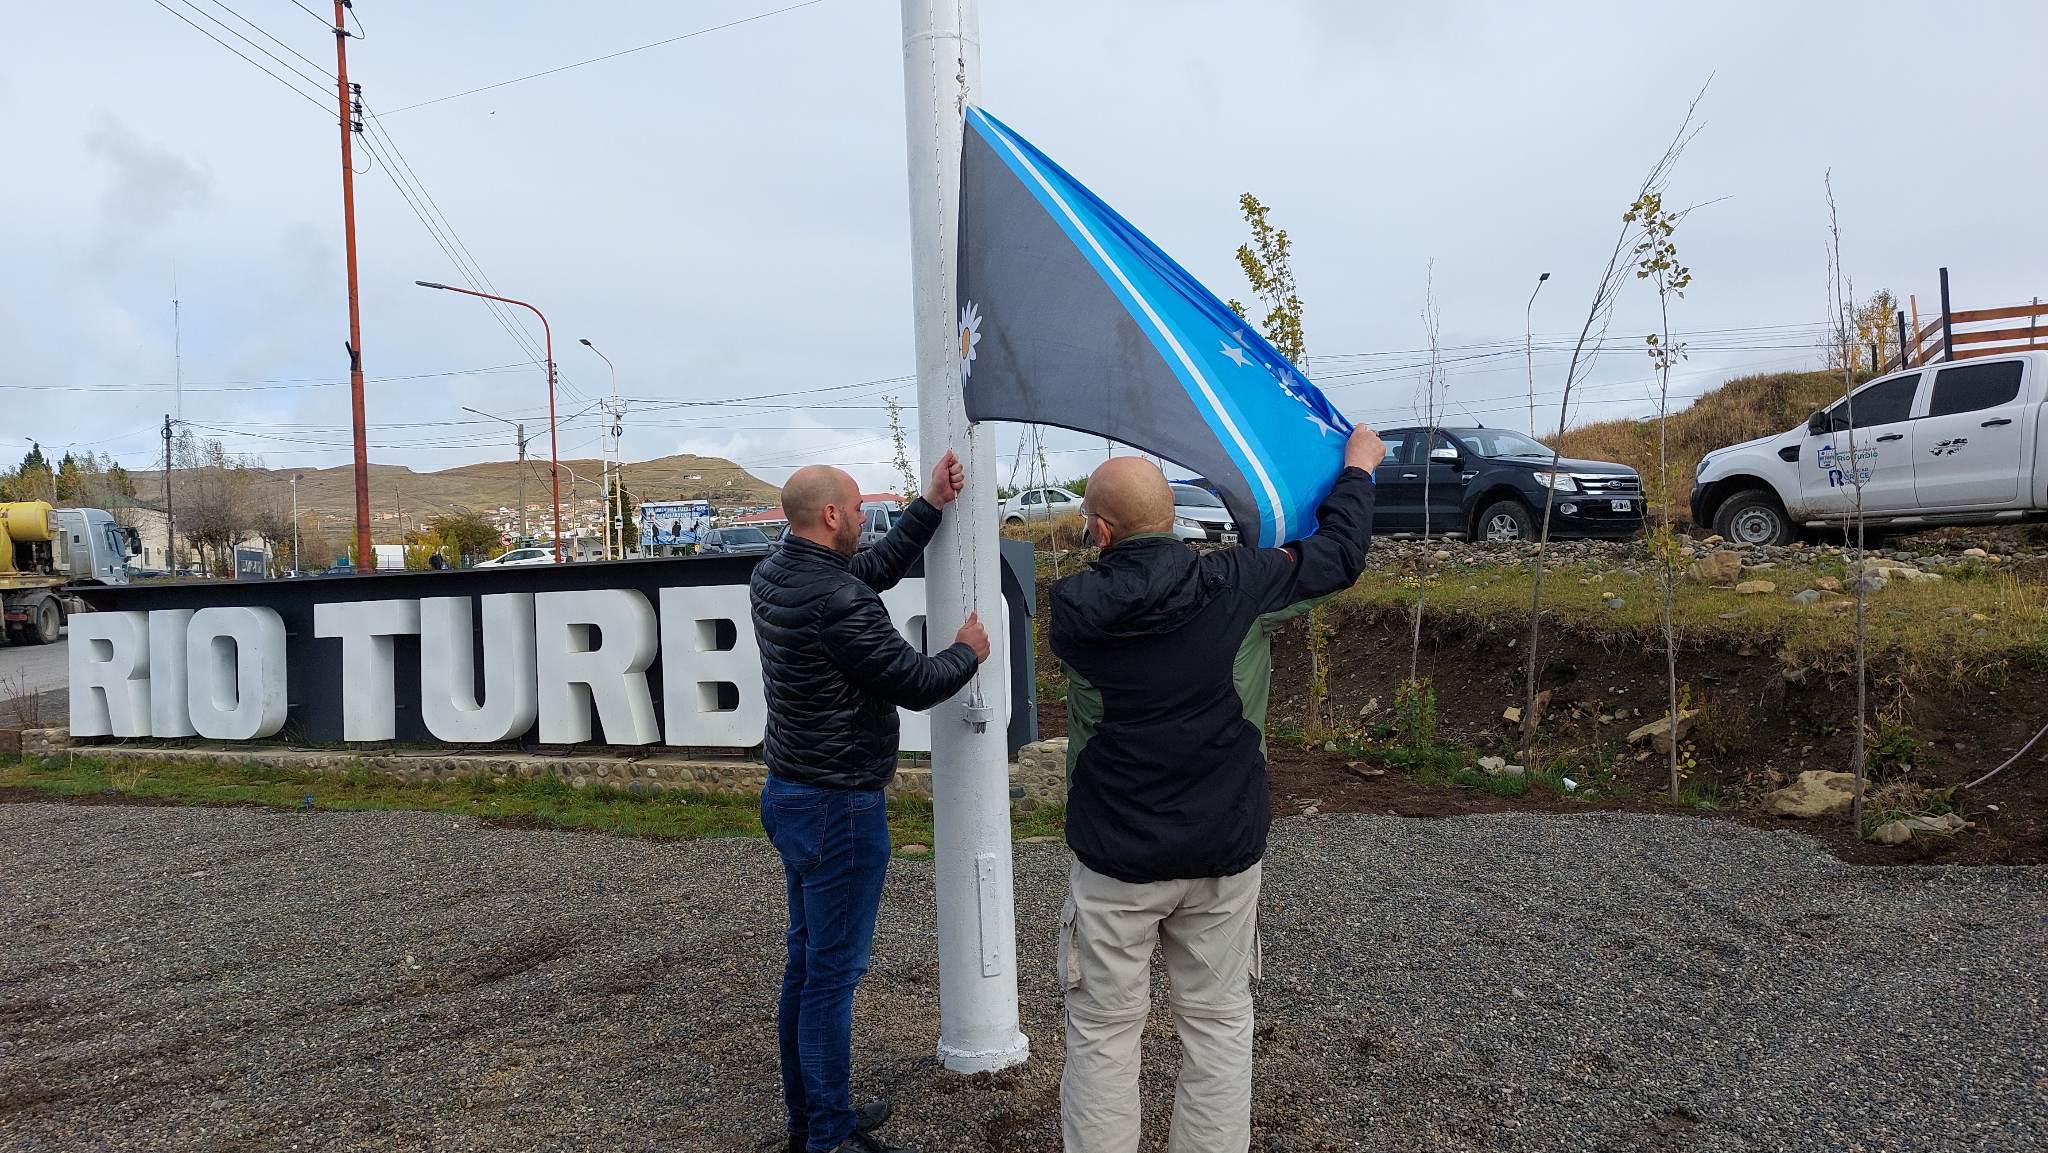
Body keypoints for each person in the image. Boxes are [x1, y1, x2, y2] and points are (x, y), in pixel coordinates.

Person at [1051, 426, 1384, 1153]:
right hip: (1222, 850)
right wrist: (1356, 469)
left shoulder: (1072, 608)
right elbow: (1338, 556)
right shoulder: (1239, 583)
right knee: (1219, 1022)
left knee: (1104, 1030)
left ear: (1099, 530)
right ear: (1172, 518)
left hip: (1115, 856)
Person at [750, 450, 991, 1153]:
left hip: (792, 793)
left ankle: (811, 1121)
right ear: (831, 516)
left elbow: (871, 568)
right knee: (830, 977)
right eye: (858, 509)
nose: (864, 517)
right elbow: (914, 681)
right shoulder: (837, 599)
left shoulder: (775, 572)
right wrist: (968, 651)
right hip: (839, 809)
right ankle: (828, 1136)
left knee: (807, 966)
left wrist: (930, 503)